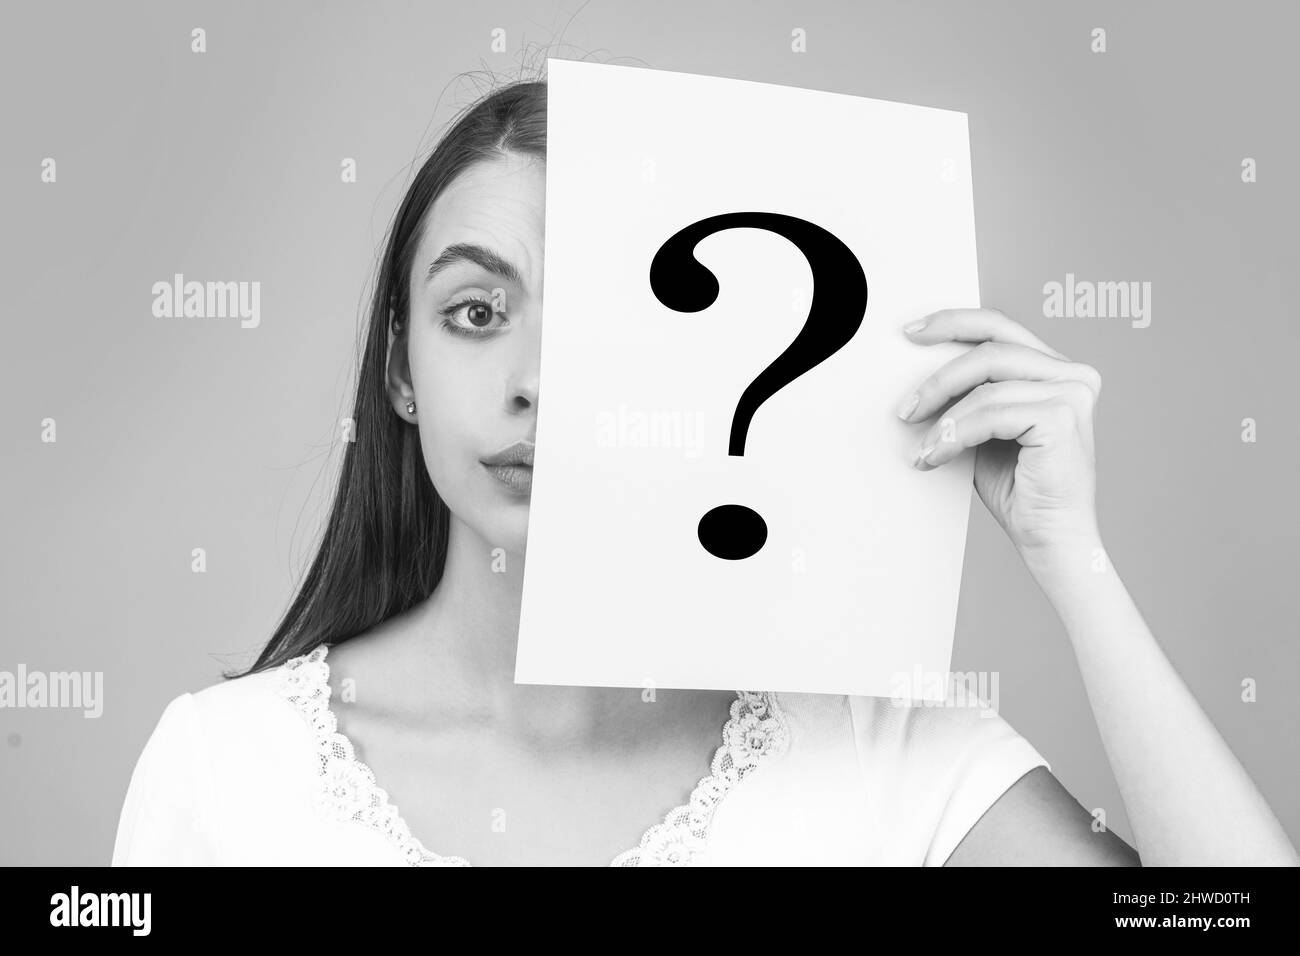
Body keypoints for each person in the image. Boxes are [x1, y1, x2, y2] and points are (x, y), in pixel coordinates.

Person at [111, 78, 1298, 867]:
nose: (536, 381)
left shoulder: (882, 752)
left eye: (599, 320)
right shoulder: (224, 767)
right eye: (476, 311)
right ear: (401, 371)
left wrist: (1071, 558)